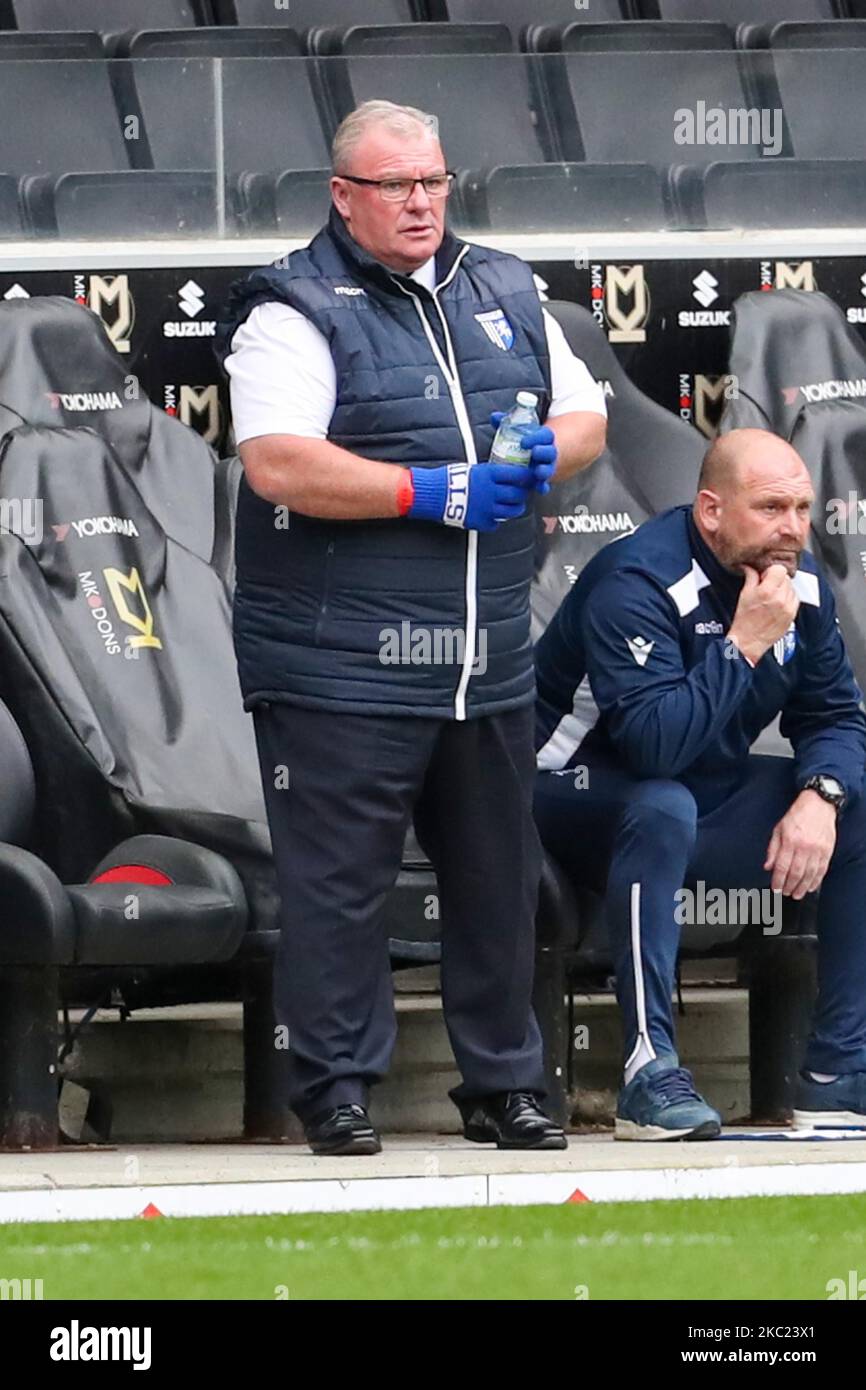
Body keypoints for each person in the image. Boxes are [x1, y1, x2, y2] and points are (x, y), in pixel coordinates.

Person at [216, 100, 608, 1155]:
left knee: (495, 877)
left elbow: (583, 413)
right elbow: (278, 462)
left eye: (433, 180)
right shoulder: (292, 310)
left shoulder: (504, 284)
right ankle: (336, 1087)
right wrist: (428, 491)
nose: (421, 202)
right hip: (338, 662)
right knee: (338, 889)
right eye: (396, 185)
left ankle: (503, 1084)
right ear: (343, 195)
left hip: (483, 654)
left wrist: (544, 457)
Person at [534, 428, 866, 1140]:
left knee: (858, 807)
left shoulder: (800, 583)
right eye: (772, 508)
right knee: (661, 804)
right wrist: (744, 641)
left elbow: (836, 714)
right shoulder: (637, 580)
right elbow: (653, 747)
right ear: (711, 510)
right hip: (563, 794)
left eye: (804, 509)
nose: (793, 529)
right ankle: (648, 1073)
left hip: (696, 797)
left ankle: (839, 1076)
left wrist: (824, 794)